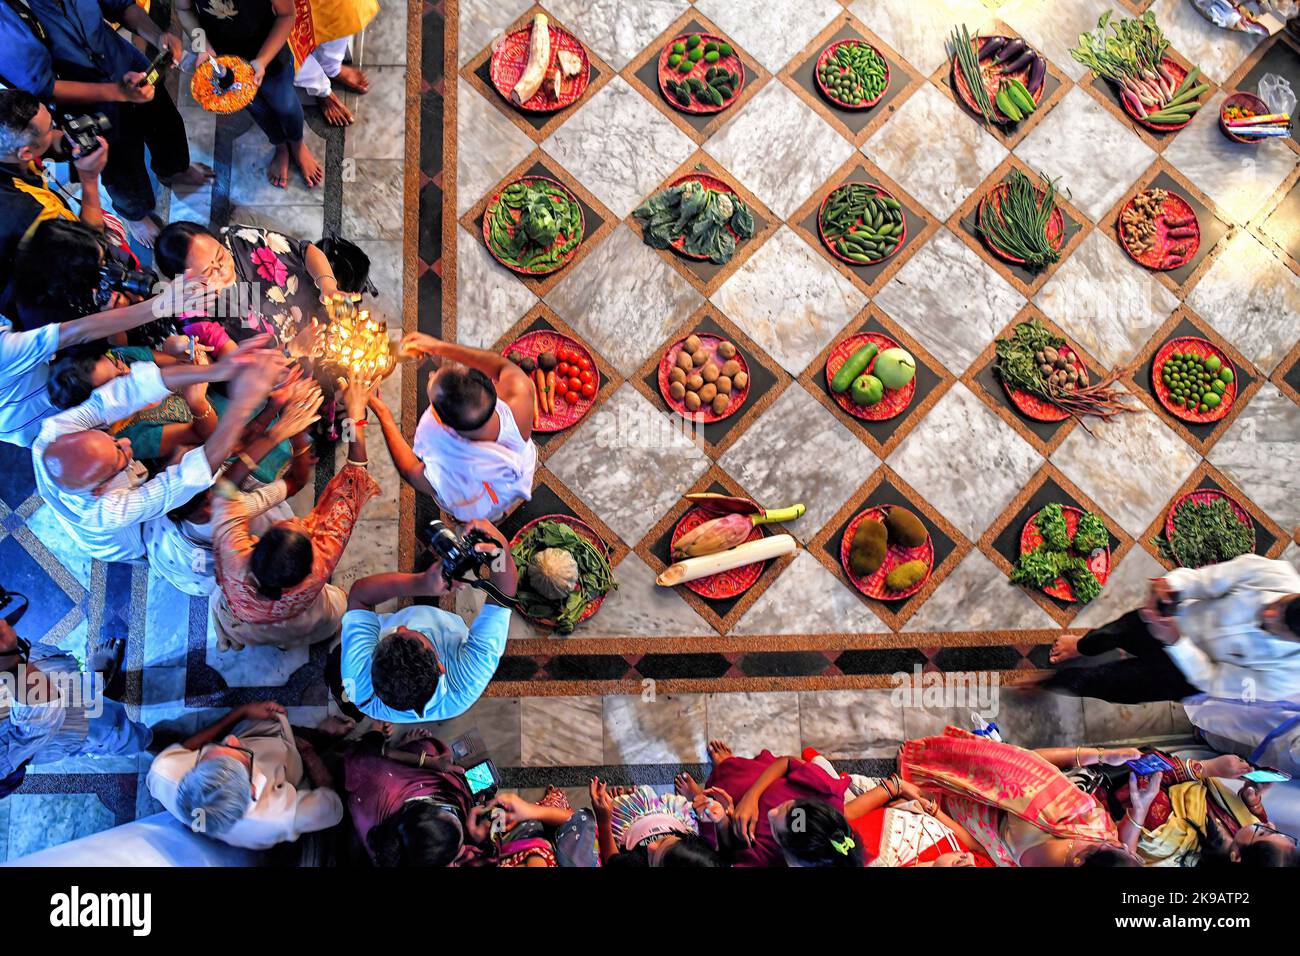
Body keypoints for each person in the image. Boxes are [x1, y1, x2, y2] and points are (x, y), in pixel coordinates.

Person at [31, 339, 286, 562]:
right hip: (118, 540)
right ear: (101, 489)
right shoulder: (110, 510)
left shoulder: (56, 432)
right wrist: (245, 400)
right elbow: (189, 474)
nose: (127, 443)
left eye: (111, 439)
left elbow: (131, 389)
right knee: (150, 538)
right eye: (120, 455)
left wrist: (223, 369)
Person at [0, 0, 211, 245]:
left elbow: (120, 5)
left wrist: (157, 36)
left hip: (125, 64)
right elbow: (44, 87)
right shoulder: (7, 19)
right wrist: (118, 93)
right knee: (119, 162)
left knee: (164, 122)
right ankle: (135, 214)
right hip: (85, 104)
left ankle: (173, 170)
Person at [208, 377, 366, 650]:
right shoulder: (322, 562)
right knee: (339, 603)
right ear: (310, 568)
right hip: (305, 619)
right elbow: (356, 473)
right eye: (298, 525)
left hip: (247, 622)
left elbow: (224, 489)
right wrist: (355, 417)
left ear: (255, 543)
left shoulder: (234, 557)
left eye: (287, 524)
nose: (295, 519)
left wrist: (281, 430)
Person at [143, 378, 319, 596]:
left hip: (168, 552)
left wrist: (274, 407)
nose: (205, 454)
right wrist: (300, 432)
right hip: (196, 569)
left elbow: (235, 451)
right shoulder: (234, 513)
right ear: (210, 500)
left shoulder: (167, 493)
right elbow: (295, 481)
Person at [1045, 554, 1300, 704]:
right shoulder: (1277, 573)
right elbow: (1206, 580)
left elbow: (1214, 680)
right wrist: (1172, 585)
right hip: (1177, 616)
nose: (1268, 612)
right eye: (1280, 604)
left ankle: (1049, 684)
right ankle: (1082, 646)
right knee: (1115, 632)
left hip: (1184, 675)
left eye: (1277, 626)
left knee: (1107, 684)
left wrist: (1176, 642)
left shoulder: (1291, 676)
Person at [337, 517, 516, 723]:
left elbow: (360, 595)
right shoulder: (466, 680)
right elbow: (503, 598)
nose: (401, 627)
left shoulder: (358, 686)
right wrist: (498, 552)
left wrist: (421, 583)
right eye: (412, 636)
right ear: (441, 667)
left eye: (396, 636)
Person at [0, 259, 186, 447]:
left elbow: (121, 350)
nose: (127, 371)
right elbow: (79, 332)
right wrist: (161, 305)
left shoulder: (118, 361)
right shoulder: (123, 435)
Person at [899, 728, 1144, 867]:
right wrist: (1139, 813)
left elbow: (1023, 763)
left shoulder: (1086, 821)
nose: (1125, 844)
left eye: (1122, 849)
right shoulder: (1090, 828)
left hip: (961, 809)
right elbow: (1022, 763)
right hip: (964, 806)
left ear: (1081, 859)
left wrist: (1101, 755)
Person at [370, 332, 536, 523]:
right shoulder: (519, 393)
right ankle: (498, 514)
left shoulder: (446, 464)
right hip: (514, 479)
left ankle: (490, 518)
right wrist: (439, 346)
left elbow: (411, 472)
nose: (431, 373)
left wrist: (384, 414)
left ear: (441, 422)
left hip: (477, 504)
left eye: (431, 380)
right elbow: (499, 364)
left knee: (483, 514)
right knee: (499, 505)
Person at [146, 700, 344, 848]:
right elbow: (332, 805)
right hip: (295, 767)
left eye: (213, 748)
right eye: (242, 755)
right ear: (253, 790)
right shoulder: (279, 816)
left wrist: (241, 713)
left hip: (266, 739)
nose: (232, 739)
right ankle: (327, 738)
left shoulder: (163, 772)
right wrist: (310, 756)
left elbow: (184, 748)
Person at [175, 0, 324, 189]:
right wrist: (202, 46)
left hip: (269, 53)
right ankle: (280, 145)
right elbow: (184, 9)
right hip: (225, 61)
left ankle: (297, 143)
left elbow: (287, 15)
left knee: (286, 105)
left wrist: (262, 60)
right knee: (256, 108)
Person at [0, 618, 151, 788]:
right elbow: (38, 724)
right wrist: (10, 664)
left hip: (43, 677)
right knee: (110, 732)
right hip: (59, 724)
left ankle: (97, 682)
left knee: (79, 688)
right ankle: (147, 743)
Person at [0, 90, 107, 308]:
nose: (58, 129)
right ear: (26, 154)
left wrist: (66, 143)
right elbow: (90, 244)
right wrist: (89, 178)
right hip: (41, 288)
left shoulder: (8, 149)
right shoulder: (31, 211)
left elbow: (44, 144)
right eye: (51, 128)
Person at [343, 728, 497, 866]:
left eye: (445, 811)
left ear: (422, 810)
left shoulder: (382, 781)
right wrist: (481, 840)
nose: (456, 815)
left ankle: (404, 749)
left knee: (423, 750)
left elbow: (364, 752)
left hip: (394, 781)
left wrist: (426, 761)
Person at [700, 739, 858, 867]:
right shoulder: (827, 794)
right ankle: (728, 765)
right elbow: (788, 763)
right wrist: (752, 796)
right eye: (789, 805)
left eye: (776, 831)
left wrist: (723, 820)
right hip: (756, 780)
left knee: (708, 805)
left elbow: (727, 853)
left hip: (727, 815)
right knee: (736, 772)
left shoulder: (762, 860)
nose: (772, 812)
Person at [588, 778, 719, 867]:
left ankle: (624, 804)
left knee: (616, 807)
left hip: (630, 827)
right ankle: (633, 801)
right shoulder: (698, 850)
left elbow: (612, 860)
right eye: (663, 841)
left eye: (652, 858)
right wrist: (707, 809)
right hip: (668, 814)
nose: (650, 846)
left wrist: (604, 820)